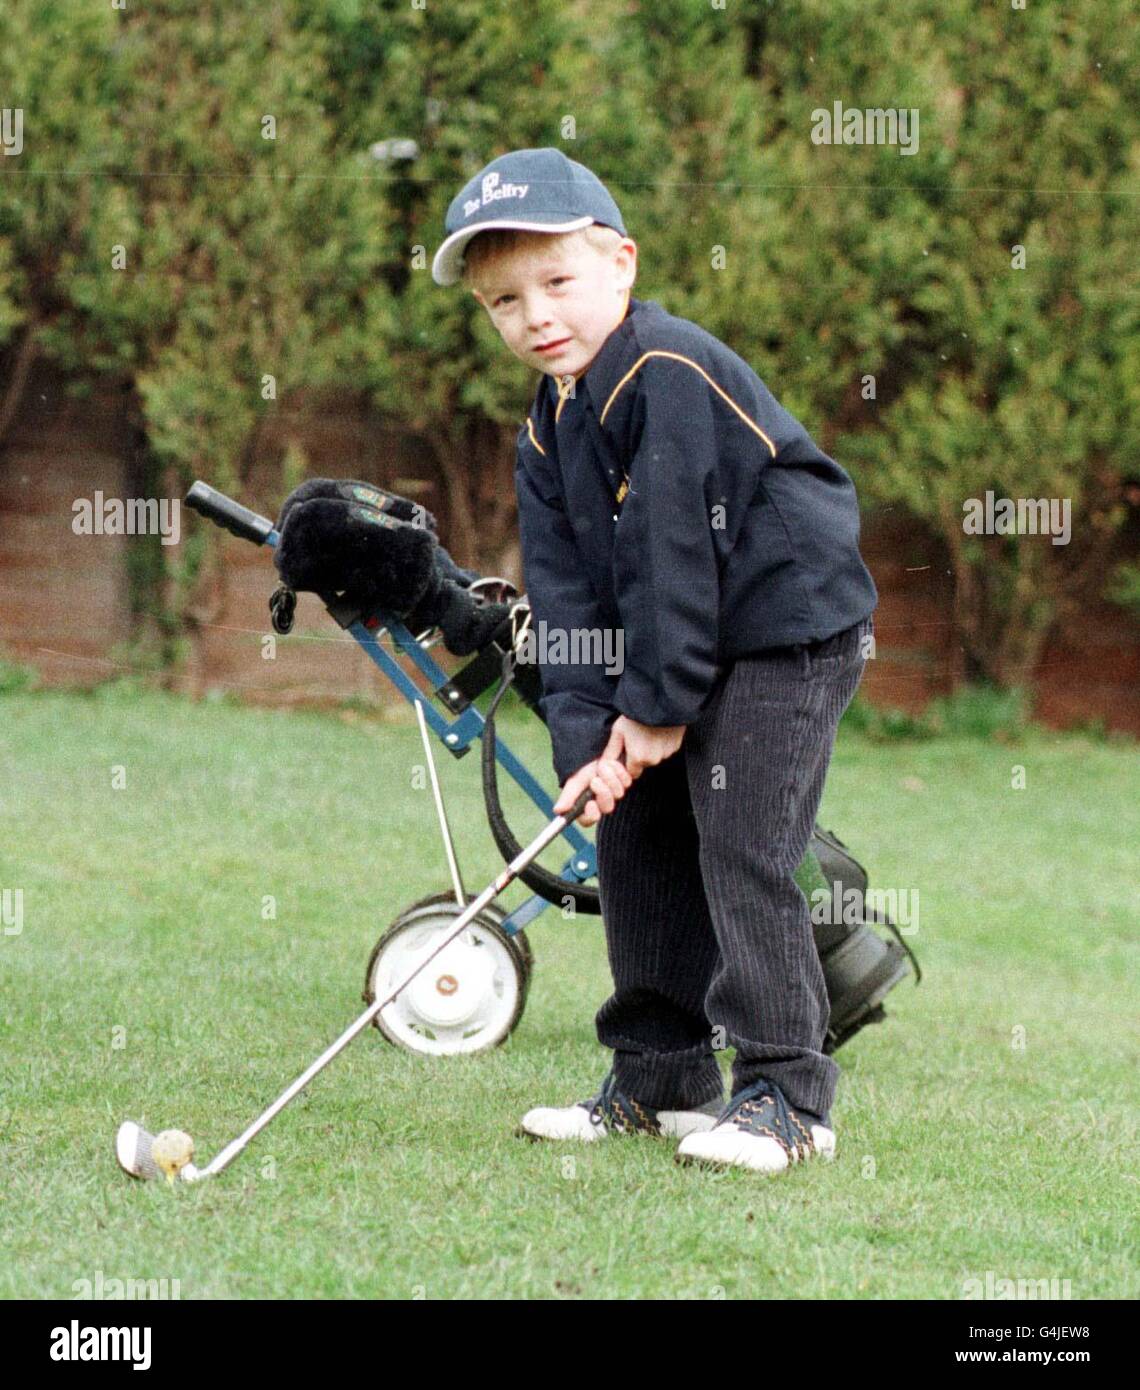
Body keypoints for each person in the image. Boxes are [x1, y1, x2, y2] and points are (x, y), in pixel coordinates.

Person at [432, 148, 877, 1174]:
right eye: (505, 300)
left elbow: (676, 552)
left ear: (620, 265)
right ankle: (661, 1077)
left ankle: (786, 1099)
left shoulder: (667, 369)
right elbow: (575, 603)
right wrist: (591, 750)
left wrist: (663, 707)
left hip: (788, 631)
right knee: (633, 835)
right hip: (693, 638)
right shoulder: (545, 431)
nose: (535, 314)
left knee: (742, 843)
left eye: (557, 281)